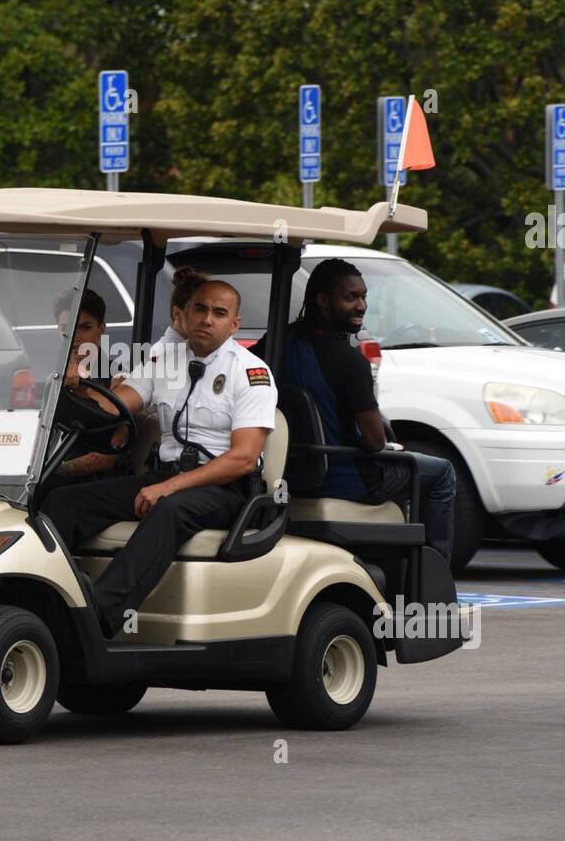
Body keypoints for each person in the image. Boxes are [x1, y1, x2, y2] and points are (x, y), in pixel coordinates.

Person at [46, 280, 278, 637]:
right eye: (200, 309)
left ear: (234, 324)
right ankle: (46, 596)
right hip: (166, 478)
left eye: (219, 313)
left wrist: (170, 486)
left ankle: (98, 616)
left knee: (168, 509)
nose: (206, 319)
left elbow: (243, 459)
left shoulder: (250, 373)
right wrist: (75, 386)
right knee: (65, 500)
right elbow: (113, 406)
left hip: (223, 489)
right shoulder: (163, 361)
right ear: (183, 314)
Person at [251, 258, 456, 562]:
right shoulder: (351, 362)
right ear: (322, 300)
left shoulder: (274, 345)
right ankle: (432, 574)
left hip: (291, 473)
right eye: (350, 298)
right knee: (441, 474)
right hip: (345, 477)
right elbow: (374, 442)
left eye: (363, 297)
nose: (361, 305)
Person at [50, 288, 126, 484]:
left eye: (84, 327)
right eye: (66, 328)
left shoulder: (119, 377)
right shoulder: (56, 377)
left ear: (102, 328)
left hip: (99, 481)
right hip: (54, 469)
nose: (75, 336)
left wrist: (55, 472)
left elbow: (111, 455)